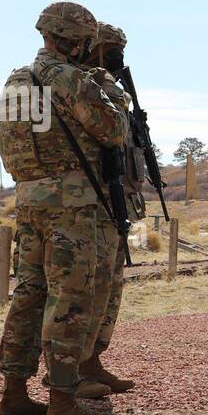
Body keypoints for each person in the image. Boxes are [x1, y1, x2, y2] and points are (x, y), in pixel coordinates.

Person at [0, 1, 130, 415]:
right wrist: (113, 97)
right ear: (77, 41)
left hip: (30, 200)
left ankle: (13, 394)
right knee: (70, 298)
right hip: (72, 207)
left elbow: (8, 146)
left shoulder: (16, 81)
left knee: (29, 294)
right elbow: (113, 131)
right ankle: (62, 400)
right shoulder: (72, 80)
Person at [79, 21, 140, 395]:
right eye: (110, 48)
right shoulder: (82, 89)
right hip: (89, 202)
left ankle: (93, 360)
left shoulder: (113, 89)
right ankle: (73, 372)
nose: (117, 56)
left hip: (116, 203)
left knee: (110, 289)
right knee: (87, 290)